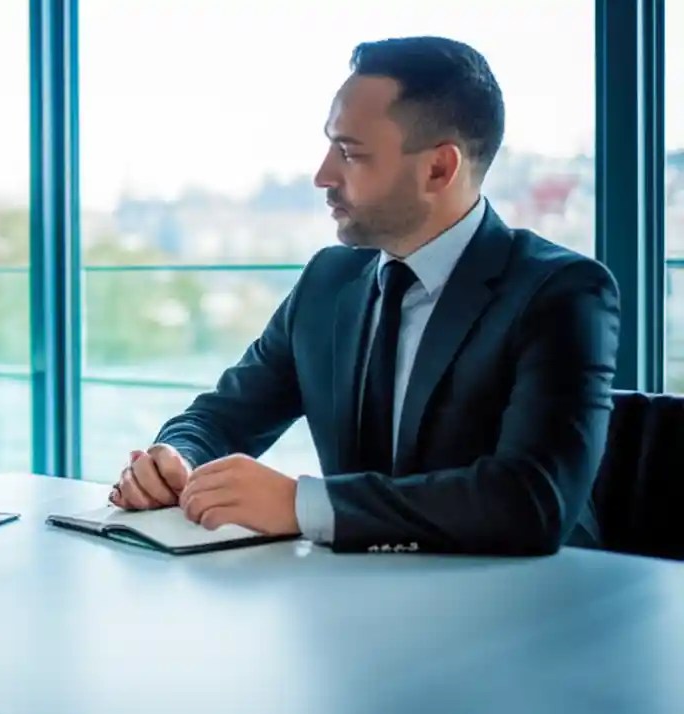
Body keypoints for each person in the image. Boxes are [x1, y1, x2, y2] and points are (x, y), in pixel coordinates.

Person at [112, 36, 620, 555]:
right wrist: (177, 460)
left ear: (439, 169)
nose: (322, 176)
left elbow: (532, 500)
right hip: (354, 591)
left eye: (350, 153)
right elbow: (221, 416)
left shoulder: (561, 293)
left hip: (536, 593)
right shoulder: (328, 282)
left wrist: (302, 505)